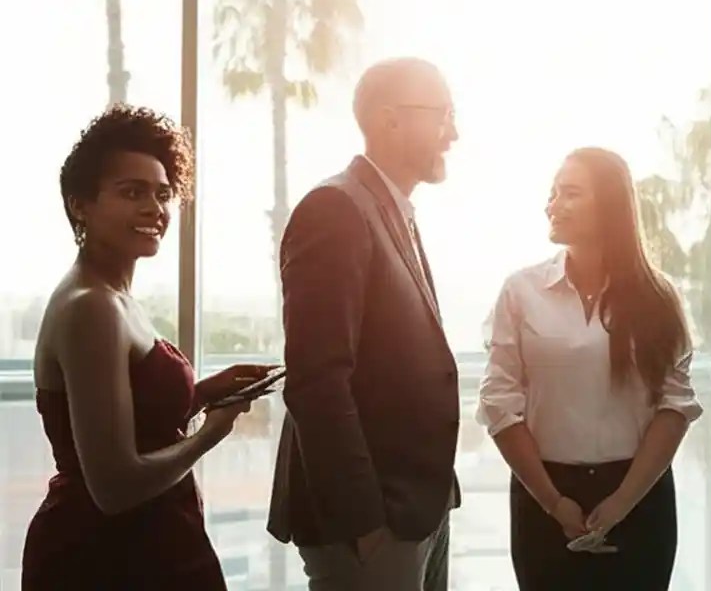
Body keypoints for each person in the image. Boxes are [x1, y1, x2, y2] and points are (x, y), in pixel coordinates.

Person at [22, 103, 272, 590]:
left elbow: (129, 424)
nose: (154, 210)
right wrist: (209, 435)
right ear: (81, 204)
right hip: (107, 555)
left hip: (150, 540)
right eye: (132, 192)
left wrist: (200, 393)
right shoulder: (91, 306)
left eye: (162, 194)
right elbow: (114, 487)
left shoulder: (112, 295)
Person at [267, 57, 461, 591]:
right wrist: (367, 527)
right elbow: (316, 384)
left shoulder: (393, 211)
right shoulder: (335, 209)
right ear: (389, 119)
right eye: (443, 114)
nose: (455, 132)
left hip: (418, 508)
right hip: (373, 524)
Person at [476, 147, 702, 590]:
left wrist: (621, 503)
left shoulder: (658, 296)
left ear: (610, 204)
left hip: (637, 493)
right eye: (553, 193)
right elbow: (499, 405)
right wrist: (554, 503)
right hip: (544, 493)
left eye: (570, 193)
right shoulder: (520, 291)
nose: (552, 204)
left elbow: (675, 407)